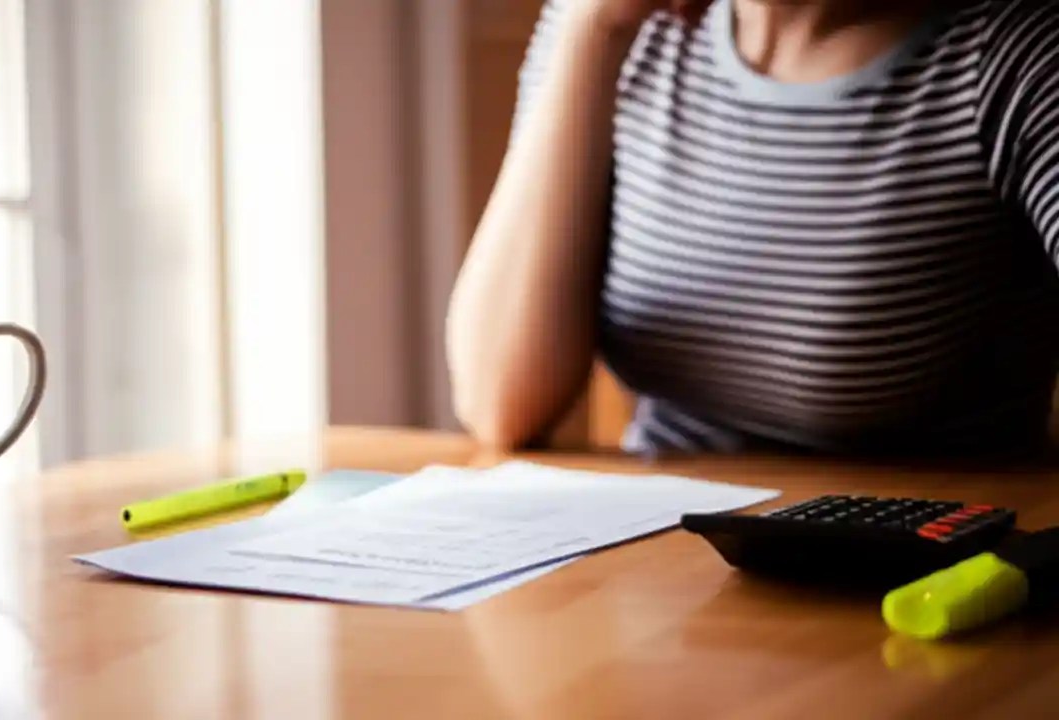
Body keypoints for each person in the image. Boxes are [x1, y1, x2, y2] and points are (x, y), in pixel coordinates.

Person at [446, 0, 1059, 457]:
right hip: (657, 567)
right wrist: (592, 30)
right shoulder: (624, 25)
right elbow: (502, 404)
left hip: (919, 579)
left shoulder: (1016, 56)